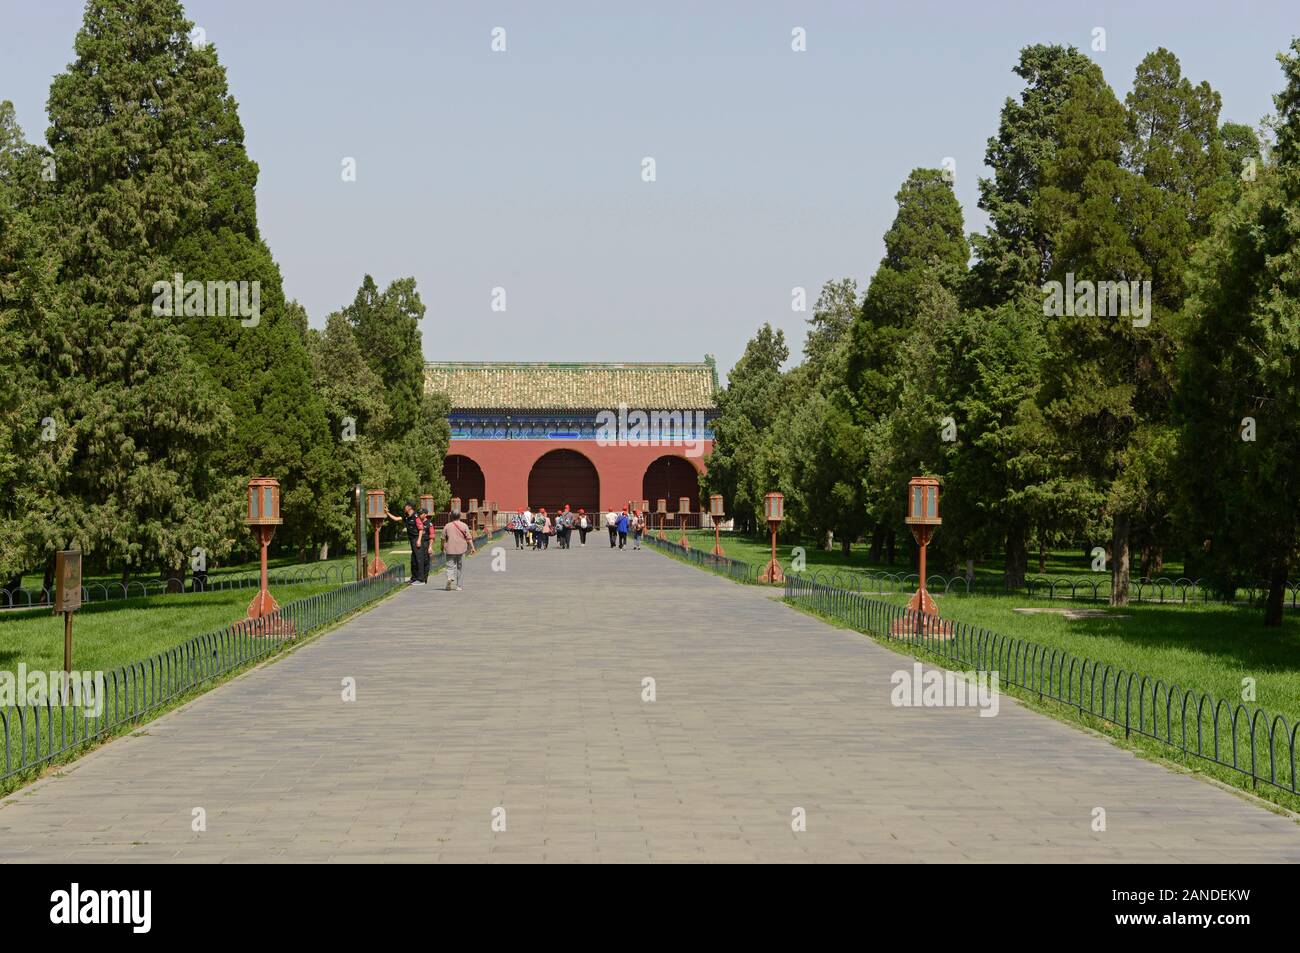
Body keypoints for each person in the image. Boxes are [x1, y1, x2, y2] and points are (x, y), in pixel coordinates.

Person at [386, 501, 424, 584]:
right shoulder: (407, 517)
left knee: (418, 559)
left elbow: (421, 529)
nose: (404, 507)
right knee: (413, 560)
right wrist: (387, 513)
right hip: (411, 540)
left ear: (410, 507)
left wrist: (418, 540)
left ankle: (421, 579)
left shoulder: (416, 517)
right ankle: (414, 578)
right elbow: (396, 519)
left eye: (406, 506)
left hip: (416, 539)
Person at [440, 506, 476, 590]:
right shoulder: (464, 525)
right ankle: (459, 586)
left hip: (450, 549)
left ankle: (449, 578)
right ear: (459, 516)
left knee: (450, 566)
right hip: (461, 549)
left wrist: (442, 547)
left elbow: (442, 538)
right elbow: (469, 538)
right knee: (460, 567)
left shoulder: (447, 526)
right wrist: (472, 548)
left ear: (451, 516)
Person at [417, 508, 433, 579]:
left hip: (426, 543)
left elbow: (432, 536)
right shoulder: (417, 522)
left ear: (425, 515)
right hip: (418, 544)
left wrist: (430, 547)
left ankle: (425, 577)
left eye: (421, 514)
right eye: (419, 513)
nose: (419, 515)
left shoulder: (429, 524)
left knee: (425, 560)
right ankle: (419, 576)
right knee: (418, 560)